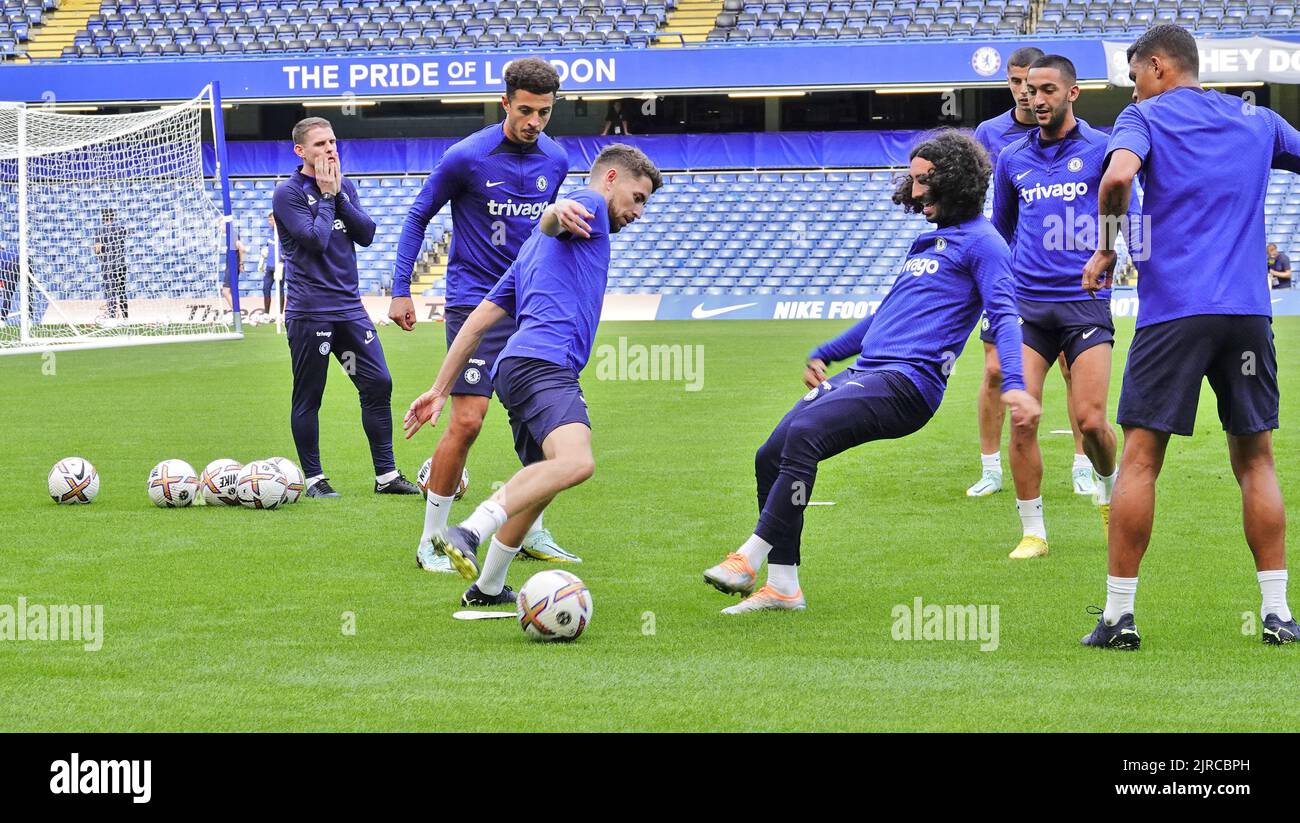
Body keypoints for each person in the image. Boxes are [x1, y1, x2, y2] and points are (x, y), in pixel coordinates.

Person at [701, 130, 1041, 615]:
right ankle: (783, 586)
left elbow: (1005, 316)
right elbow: (885, 317)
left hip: (909, 385)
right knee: (769, 454)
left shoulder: (985, 244)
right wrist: (826, 351)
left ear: (955, 180)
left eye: (924, 180)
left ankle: (748, 557)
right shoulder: (928, 242)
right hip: (869, 371)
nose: (915, 189)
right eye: (914, 179)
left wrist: (1014, 384)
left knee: (805, 434)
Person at [1081, 24, 1300, 648]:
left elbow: (1117, 180)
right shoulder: (1256, 120)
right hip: (1247, 316)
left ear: (1158, 67)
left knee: (1141, 458)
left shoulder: (1143, 119)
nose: (1132, 90)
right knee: (1255, 458)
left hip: (1174, 313)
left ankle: (1120, 616)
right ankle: (1278, 615)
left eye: (1133, 78)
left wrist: (1105, 247)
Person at [402, 144, 661, 606]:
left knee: (546, 474)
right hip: (545, 365)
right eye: (637, 197)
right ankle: (468, 530)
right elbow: (558, 218)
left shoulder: (527, 252)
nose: (638, 212)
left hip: (515, 368)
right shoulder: (592, 207)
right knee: (577, 462)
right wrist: (555, 212)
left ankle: (487, 588)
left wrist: (439, 389)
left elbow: (478, 322)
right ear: (611, 178)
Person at [389, 57, 580, 571]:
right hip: (475, 300)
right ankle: (432, 540)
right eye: (525, 111)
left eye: (543, 112)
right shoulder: (467, 157)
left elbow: (547, 233)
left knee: (541, 424)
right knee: (468, 420)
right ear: (505, 102)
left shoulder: (556, 160)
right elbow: (417, 215)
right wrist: (400, 287)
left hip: (532, 304)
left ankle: (530, 532)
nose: (534, 122)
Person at [990, 55, 1141, 560]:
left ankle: (1106, 489)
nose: (1037, 99)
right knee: (1024, 418)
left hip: (1085, 303)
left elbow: (1128, 214)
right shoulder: (1012, 158)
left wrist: (1107, 253)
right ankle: (1033, 531)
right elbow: (1001, 233)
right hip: (1028, 307)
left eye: (1048, 90)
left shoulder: (1103, 150)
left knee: (1093, 421)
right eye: (1031, 90)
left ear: (1072, 93)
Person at [272, 116, 421, 499]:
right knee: (310, 394)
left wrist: (336, 194)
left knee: (378, 382)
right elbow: (316, 240)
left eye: (333, 142)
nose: (330, 149)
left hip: (349, 311)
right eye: (320, 144)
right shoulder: (287, 193)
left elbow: (367, 234)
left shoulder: (344, 187)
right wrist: (324, 195)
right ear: (300, 151)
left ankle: (386, 476)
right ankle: (314, 479)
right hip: (311, 313)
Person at [972, 46, 1093, 499]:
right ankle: (990, 466)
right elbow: (991, 210)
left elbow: (1121, 213)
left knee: (1071, 369)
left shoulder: (1086, 144)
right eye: (1018, 83)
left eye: (1037, 84)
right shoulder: (991, 135)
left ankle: (1082, 464)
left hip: (1067, 280)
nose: (1027, 92)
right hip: (1013, 278)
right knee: (994, 371)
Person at [93, 207, 129, 320]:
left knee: (111, 292)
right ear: (113, 216)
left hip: (108, 265)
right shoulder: (121, 229)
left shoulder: (100, 231)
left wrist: (100, 256)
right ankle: (125, 318)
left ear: (102, 218)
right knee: (122, 291)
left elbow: (97, 249)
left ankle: (113, 318)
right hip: (121, 265)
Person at [262, 211, 284, 318]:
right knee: (266, 288)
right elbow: (267, 248)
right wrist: (262, 261)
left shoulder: (282, 233)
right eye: (268, 219)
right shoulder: (269, 233)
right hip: (269, 266)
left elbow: (286, 249)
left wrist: (282, 261)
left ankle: (280, 315)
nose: (269, 221)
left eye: (271, 219)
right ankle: (266, 314)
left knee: (279, 288)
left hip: (279, 266)